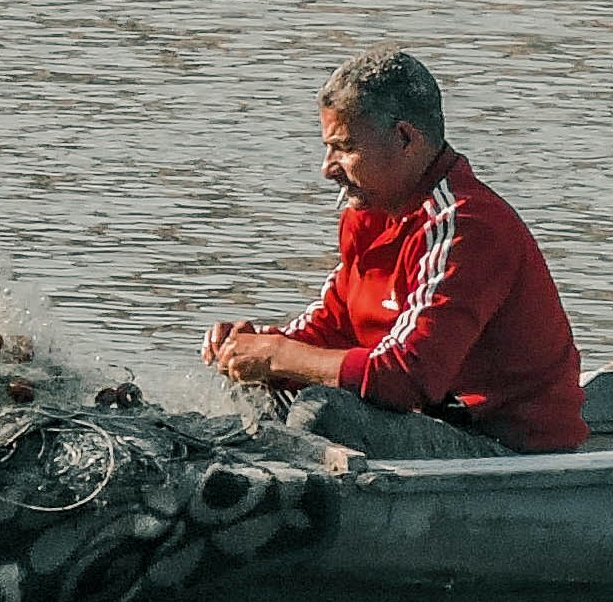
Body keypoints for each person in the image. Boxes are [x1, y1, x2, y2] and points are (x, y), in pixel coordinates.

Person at [204, 48, 587, 459]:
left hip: (504, 448)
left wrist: (278, 356)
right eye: (328, 148)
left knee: (323, 414)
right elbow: (334, 326)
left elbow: (405, 378)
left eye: (344, 148)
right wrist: (252, 347)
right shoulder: (369, 214)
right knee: (254, 386)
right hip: (424, 422)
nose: (328, 168)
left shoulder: (466, 225)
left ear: (405, 138)